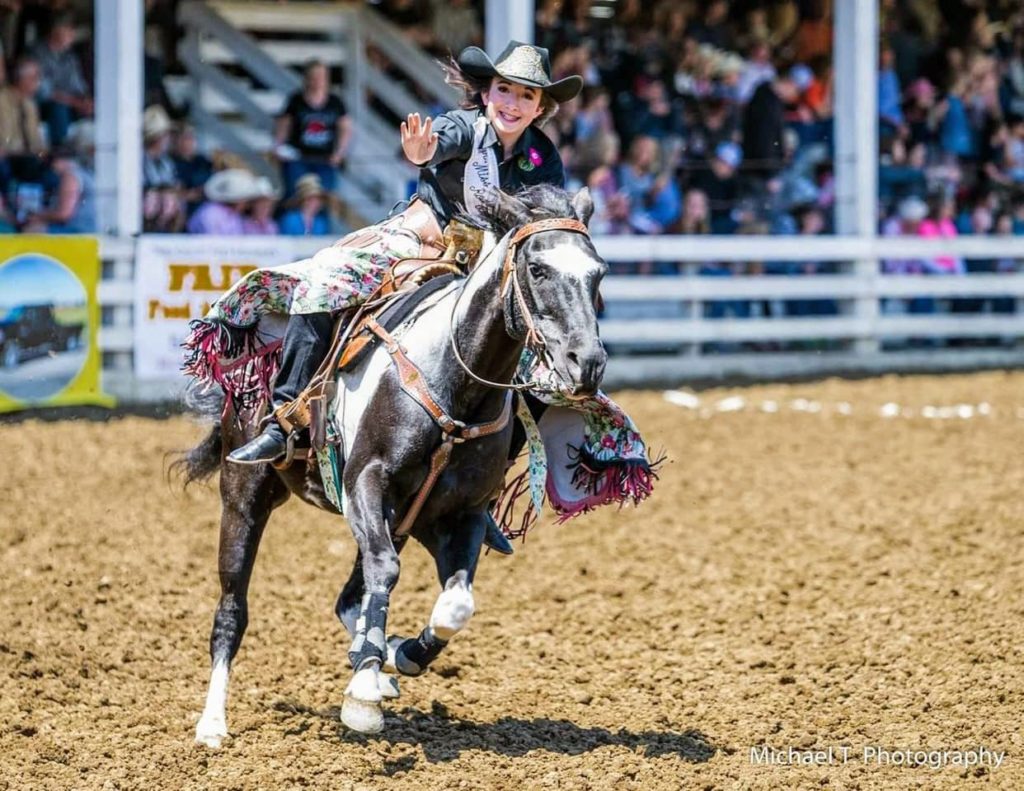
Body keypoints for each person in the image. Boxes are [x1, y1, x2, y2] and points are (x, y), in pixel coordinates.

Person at [185, 42, 655, 547]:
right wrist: (423, 153)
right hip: (421, 241)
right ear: (486, 92)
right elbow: (438, 144)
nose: (512, 103)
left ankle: (482, 488)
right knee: (324, 283)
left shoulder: (543, 157)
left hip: (487, 267)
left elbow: (544, 224)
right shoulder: (461, 127)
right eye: (504, 90)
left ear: (540, 106)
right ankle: (284, 417)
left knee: (534, 368)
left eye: (525, 95)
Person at [273, 59, 352, 198]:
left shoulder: (335, 102)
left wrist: (339, 153)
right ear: (307, 78)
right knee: (295, 196)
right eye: (314, 77)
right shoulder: (296, 100)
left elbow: (345, 128)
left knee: (323, 198)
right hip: (298, 158)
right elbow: (284, 124)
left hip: (325, 160)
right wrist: (278, 146)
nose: (317, 81)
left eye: (321, 77)